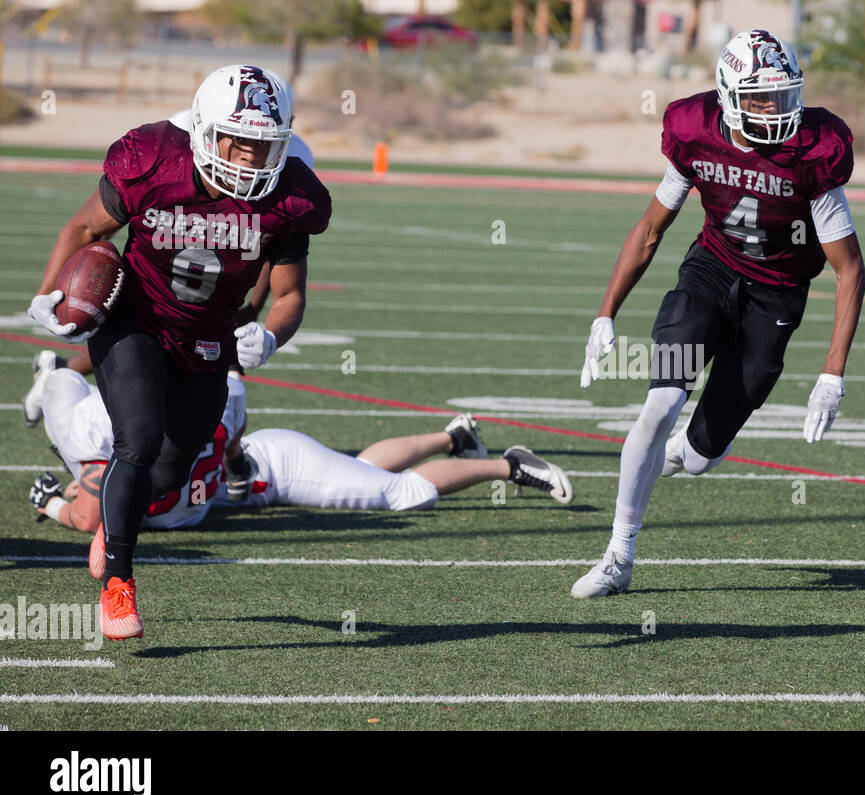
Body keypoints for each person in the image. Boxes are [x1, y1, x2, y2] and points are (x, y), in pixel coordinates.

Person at [25, 65, 331, 639]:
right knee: (136, 441)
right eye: (236, 141)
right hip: (134, 321)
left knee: (165, 475)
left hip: (208, 338)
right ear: (204, 131)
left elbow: (289, 294)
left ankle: (113, 525)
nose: (246, 159)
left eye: (261, 146)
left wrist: (270, 335)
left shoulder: (290, 197)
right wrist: (50, 294)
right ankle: (118, 584)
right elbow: (86, 230)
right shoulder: (153, 160)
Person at [570, 29, 865, 597]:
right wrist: (605, 313)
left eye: (782, 97)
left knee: (702, 457)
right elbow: (652, 228)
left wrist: (832, 374)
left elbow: (849, 269)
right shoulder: (695, 130)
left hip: (777, 293)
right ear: (729, 93)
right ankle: (618, 553)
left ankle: (685, 451)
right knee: (660, 403)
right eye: (759, 98)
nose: (774, 111)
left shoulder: (815, 149)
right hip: (711, 271)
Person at [20, 68, 314, 428]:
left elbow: (272, 241)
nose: (255, 145)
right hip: (169, 253)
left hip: (229, 261)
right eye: (242, 134)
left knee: (208, 346)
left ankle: (63, 369)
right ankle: (65, 375)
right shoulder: (171, 146)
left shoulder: (291, 159)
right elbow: (88, 224)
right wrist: (48, 290)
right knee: (151, 339)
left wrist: (258, 320)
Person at [28, 364, 573, 547]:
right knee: (366, 468)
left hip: (275, 472)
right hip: (243, 482)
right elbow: (64, 394)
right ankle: (453, 438)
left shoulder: (211, 397)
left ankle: (509, 465)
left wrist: (52, 503)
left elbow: (91, 516)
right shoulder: (102, 433)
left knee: (398, 494)